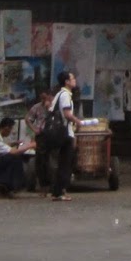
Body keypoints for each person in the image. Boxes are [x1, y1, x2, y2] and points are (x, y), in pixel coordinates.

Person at [46, 70, 81, 201]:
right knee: (66, 162)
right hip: (65, 132)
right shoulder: (65, 95)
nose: (74, 80)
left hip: (60, 131)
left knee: (62, 161)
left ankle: (58, 190)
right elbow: (67, 114)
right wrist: (78, 121)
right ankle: (60, 191)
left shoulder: (60, 94)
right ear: (66, 81)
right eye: (72, 78)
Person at [0, 117, 33, 196]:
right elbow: (14, 152)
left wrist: (14, 143)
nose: (10, 132)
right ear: (6, 128)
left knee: (10, 158)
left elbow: (1, 147)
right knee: (14, 157)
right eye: (10, 129)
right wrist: (30, 145)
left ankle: (8, 183)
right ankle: (6, 183)